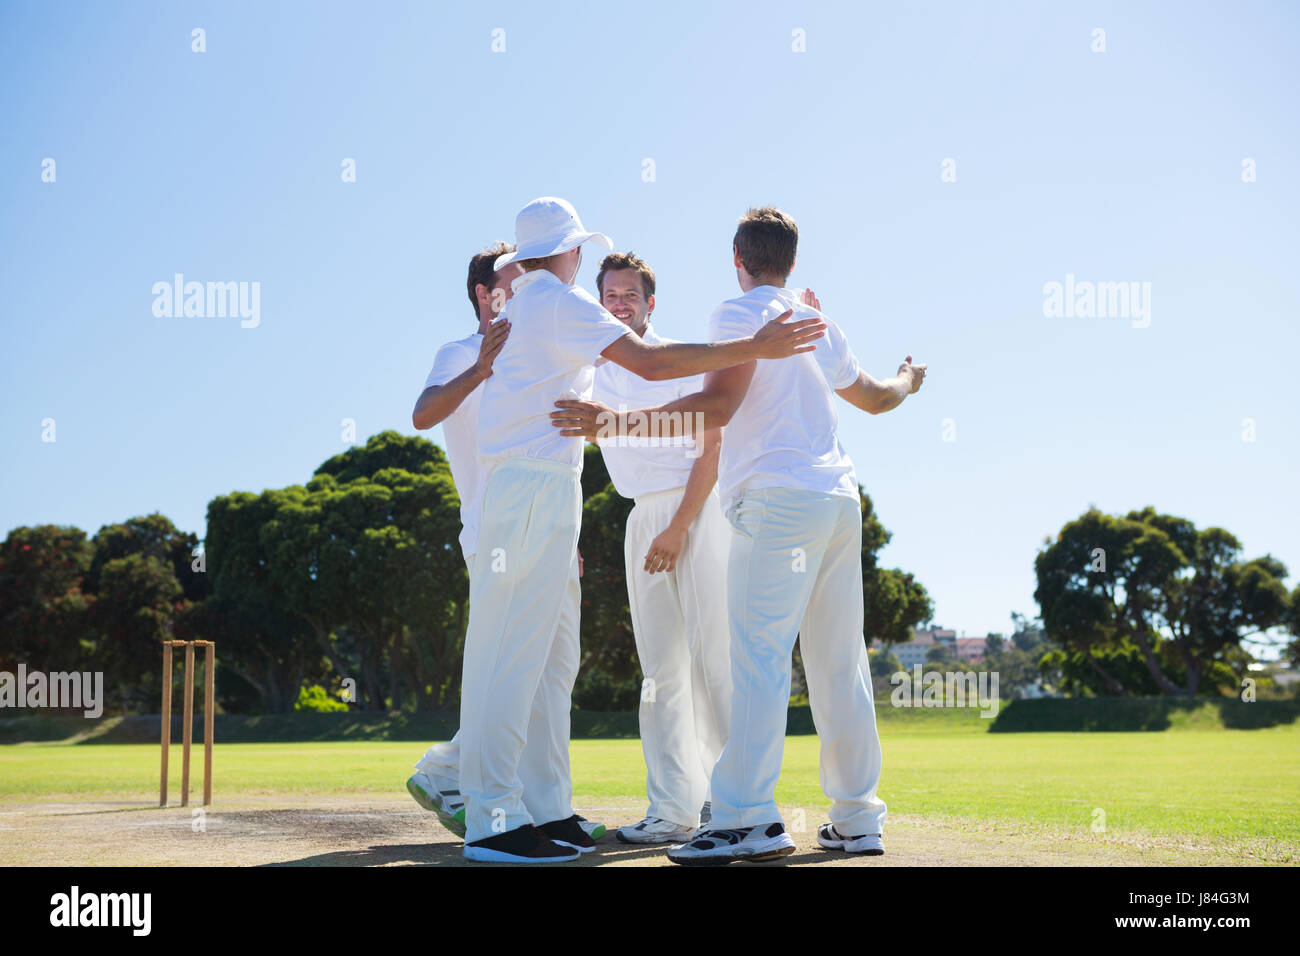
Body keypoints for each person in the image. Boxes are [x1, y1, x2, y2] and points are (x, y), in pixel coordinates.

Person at [550, 206, 926, 866]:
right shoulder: (817, 321)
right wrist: (909, 379)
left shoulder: (735, 314)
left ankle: (745, 819)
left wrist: (616, 422)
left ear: (737, 259)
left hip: (776, 502)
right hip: (840, 502)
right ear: (792, 261)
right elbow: (875, 398)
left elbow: (716, 408)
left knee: (756, 661)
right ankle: (857, 819)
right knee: (839, 664)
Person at [459, 196, 825, 863]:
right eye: (604, 282)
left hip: (563, 491)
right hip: (539, 488)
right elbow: (652, 366)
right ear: (571, 254)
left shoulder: (535, 307)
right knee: (519, 655)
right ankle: (496, 820)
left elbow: (687, 407)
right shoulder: (560, 305)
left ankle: (713, 804)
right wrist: (758, 344)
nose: (615, 298)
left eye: (630, 293)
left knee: (524, 654)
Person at [405, 241, 604, 847]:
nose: (523, 292)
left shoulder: (536, 345)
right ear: (483, 294)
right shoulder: (461, 352)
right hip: (492, 531)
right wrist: (481, 368)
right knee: (512, 666)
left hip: (548, 529)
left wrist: (565, 535)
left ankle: (546, 806)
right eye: (511, 284)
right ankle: (467, 786)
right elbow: (423, 414)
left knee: (554, 670)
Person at [591, 252, 729, 845]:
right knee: (661, 671)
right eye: (611, 295)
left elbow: (712, 447)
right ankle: (674, 809)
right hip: (640, 516)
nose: (620, 303)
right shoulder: (587, 369)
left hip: (696, 510)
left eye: (630, 295)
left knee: (714, 659)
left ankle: (734, 804)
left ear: (651, 303)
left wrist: (678, 527)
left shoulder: (679, 359)